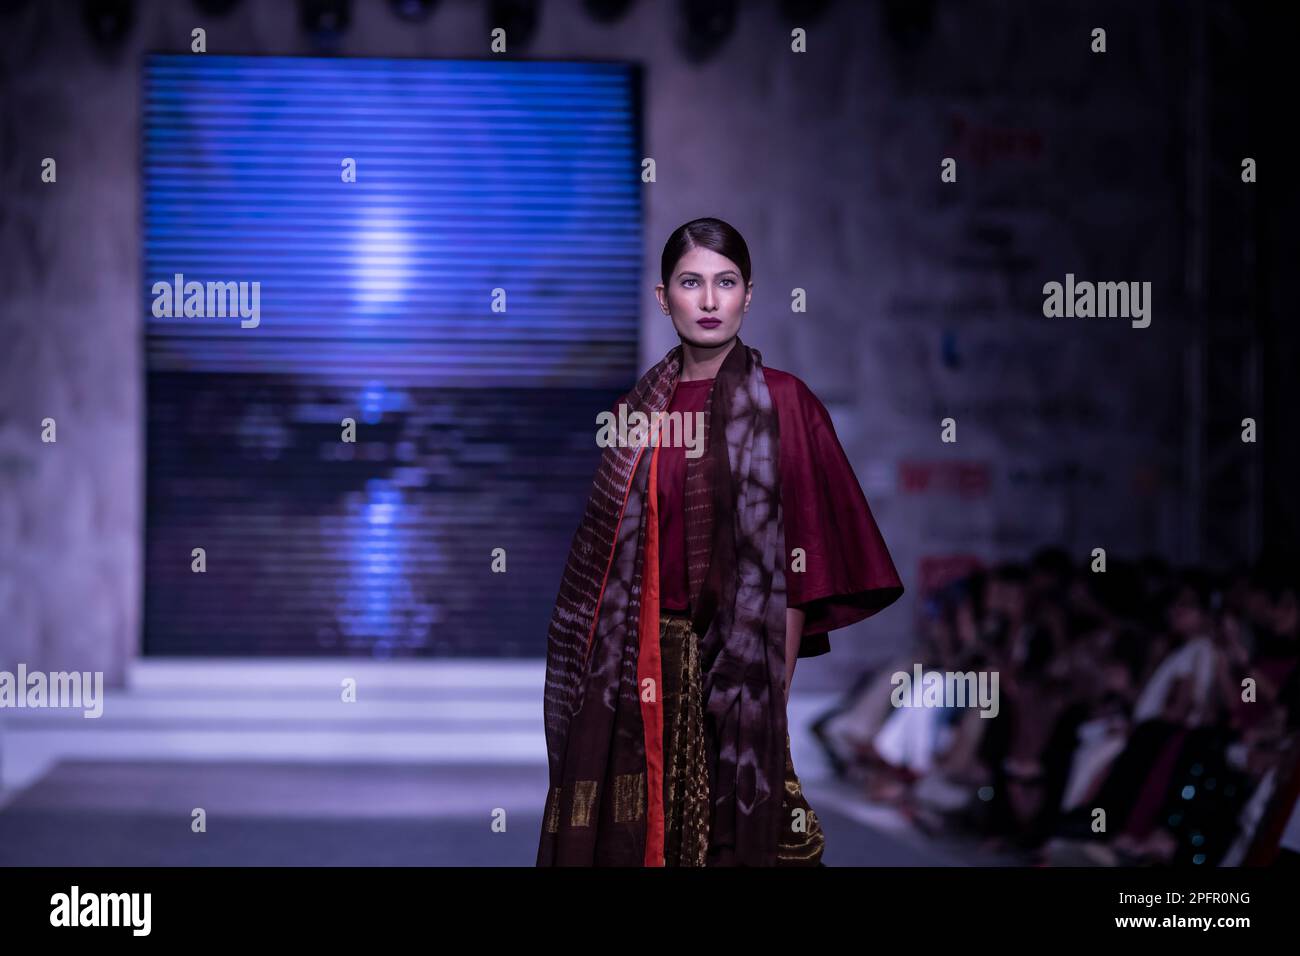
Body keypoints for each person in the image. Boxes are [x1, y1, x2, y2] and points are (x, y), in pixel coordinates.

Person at [538, 217, 904, 866]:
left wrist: (772, 690)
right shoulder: (635, 414)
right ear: (663, 297)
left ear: (748, 294)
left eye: (725, 283)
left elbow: (799, 566)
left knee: (748, 845)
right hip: (638, 672)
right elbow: (604, 574)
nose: (709, 301)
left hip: (739, 670)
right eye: (691, 282)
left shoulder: (786, 405)